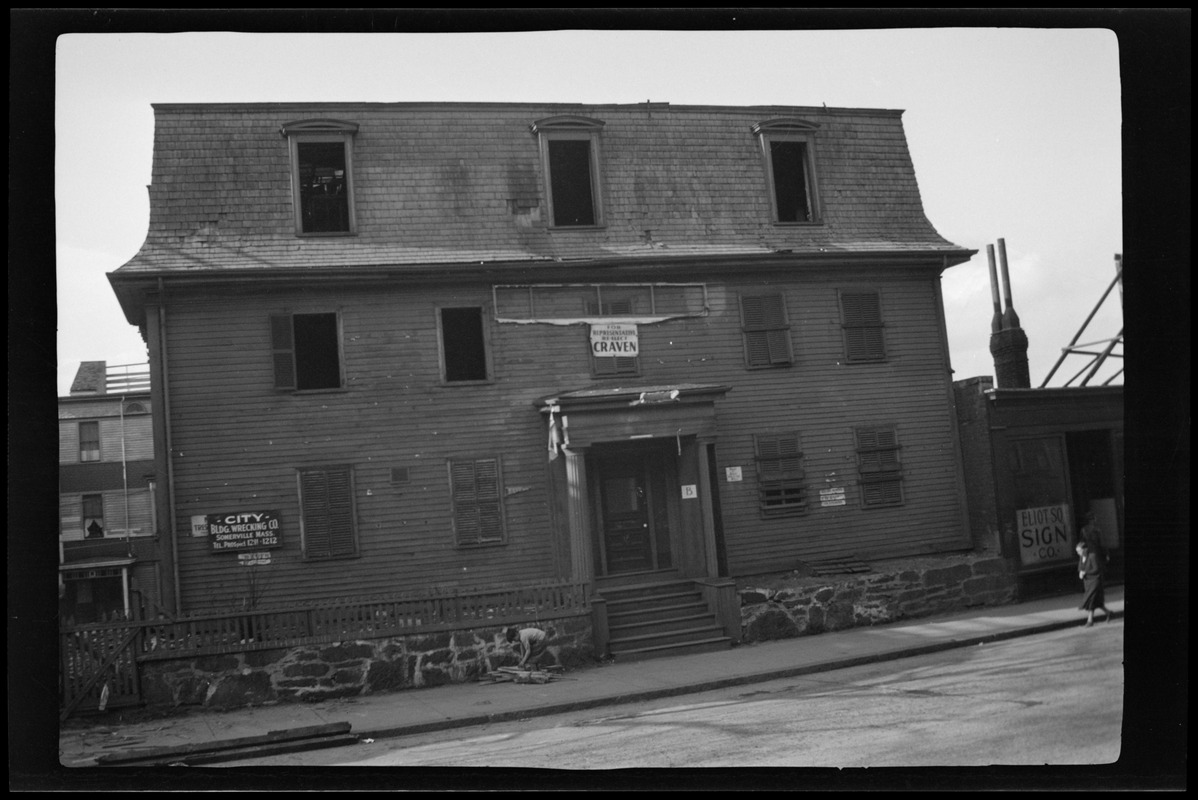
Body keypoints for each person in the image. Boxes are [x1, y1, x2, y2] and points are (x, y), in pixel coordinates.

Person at [1076, 540, 1111, 627]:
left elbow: (1096, 569)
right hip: (1087, 582)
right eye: (1077, 551)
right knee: (1096, 601)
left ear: (1085, 549)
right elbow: (1080, 567)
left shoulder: (1092, 556)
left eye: (1079, 551)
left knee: (1091, 599)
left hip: (1095, 580)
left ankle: (1090, 621)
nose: (1078, 553)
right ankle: (1108, 612)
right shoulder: (1081, 557)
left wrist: (1085, 572)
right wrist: (1080, 572)